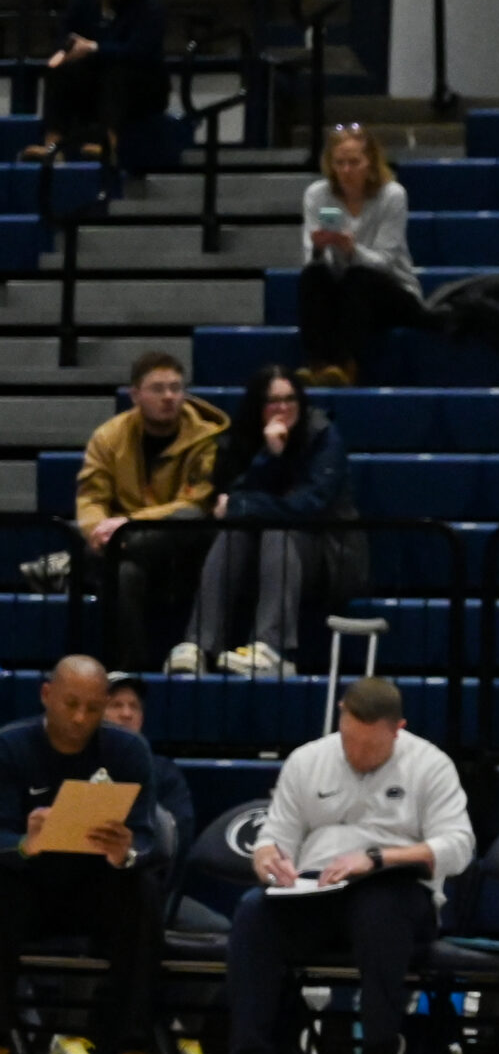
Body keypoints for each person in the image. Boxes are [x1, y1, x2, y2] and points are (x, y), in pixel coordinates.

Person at [215, 677, 475, 1054]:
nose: (357, 755)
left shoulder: (431, 765)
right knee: (252, 912)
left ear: (398, 729)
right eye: (350, 741)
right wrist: (267, 858)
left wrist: (377, 857)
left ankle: (378, 1047)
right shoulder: (308, 760)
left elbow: (459, 847)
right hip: (316, 889)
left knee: (378, 910)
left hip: (398, 890)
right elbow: (274, 835)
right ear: (341, 717)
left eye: (371, 747)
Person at [0, 655, 173, 1054]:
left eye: (93, 708)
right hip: (27, 885)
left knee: (143, 892)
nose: (80, 717)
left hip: (97, 886)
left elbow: (149, 837)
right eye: (70, 704)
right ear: (46, 696)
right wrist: (24, 844)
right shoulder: (9, 746)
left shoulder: (128, 751)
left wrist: (124, 851)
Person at [169, 367, 350, 679]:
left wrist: (243, 505)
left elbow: (308, 506)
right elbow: (232, 498)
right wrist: (270, 455)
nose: (282, 408)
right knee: (232, 533)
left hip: (322, 551)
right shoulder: (242, 438)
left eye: (290, 399)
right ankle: (200, 643)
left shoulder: (323, 436)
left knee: (276, 529)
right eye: (272, 401)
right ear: (257, 405)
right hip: (255, 553)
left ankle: (273, 648)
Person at [78, 351, 225, 671]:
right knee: (124, 573)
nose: (169, 396)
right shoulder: (108, 437)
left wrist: (127, 526)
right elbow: (91, 498)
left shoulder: (206, 438)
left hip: (181, 555)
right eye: (158, 389)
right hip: (128, 555)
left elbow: (197, 502)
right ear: (135, 395)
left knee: (190, 520)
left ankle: (108, 550)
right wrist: (98, 530)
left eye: (176, 387)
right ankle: (131, 675)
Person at [297, 125, 427, 385]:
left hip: (391, 289)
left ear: (370, 162)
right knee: (312, 275)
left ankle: (344, 364)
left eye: (354, 162)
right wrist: (320, 248)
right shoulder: (316, 194)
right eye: (340, 163)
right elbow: (311, 260)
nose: (346, 171)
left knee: (360, 277)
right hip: (344, 289)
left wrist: (351, 250)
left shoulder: (392, 195)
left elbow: (385, 262)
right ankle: (319, 364)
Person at [29, 0, 166, 162]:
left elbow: (138, 52)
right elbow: (66, 32)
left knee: (118, 71)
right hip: (95, 81)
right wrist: (65, 51)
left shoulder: (151, 3)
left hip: (141, 87)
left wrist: (94, 47)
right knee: (59, 70)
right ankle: (53, 146)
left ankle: (107, 144)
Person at [101, 674, 196, 875]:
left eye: (134, 706)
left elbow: (178, 837)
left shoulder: (164, 772)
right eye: (116, 705)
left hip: (141, 877)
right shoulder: (78, 763)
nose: (127, 714)